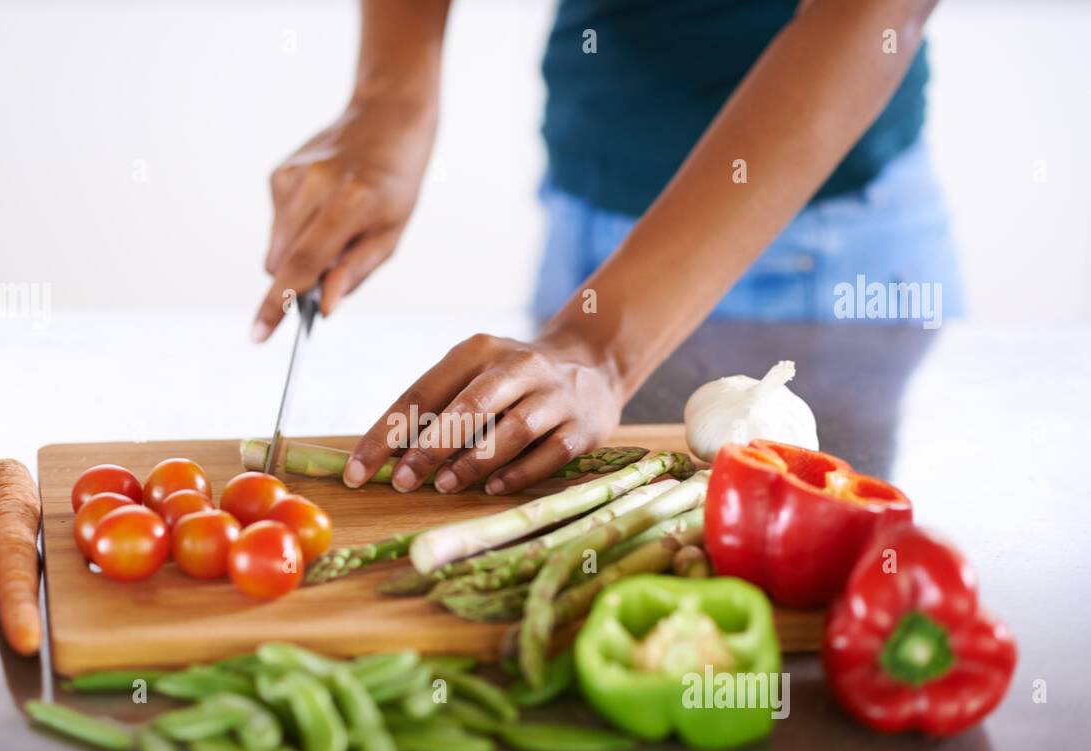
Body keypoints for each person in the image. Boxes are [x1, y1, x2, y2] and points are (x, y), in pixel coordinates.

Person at [253, 0, 960, 495]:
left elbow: (878, 10)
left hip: (817, 247)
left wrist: (601, 344)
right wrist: (391, 97)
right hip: (583, 207)